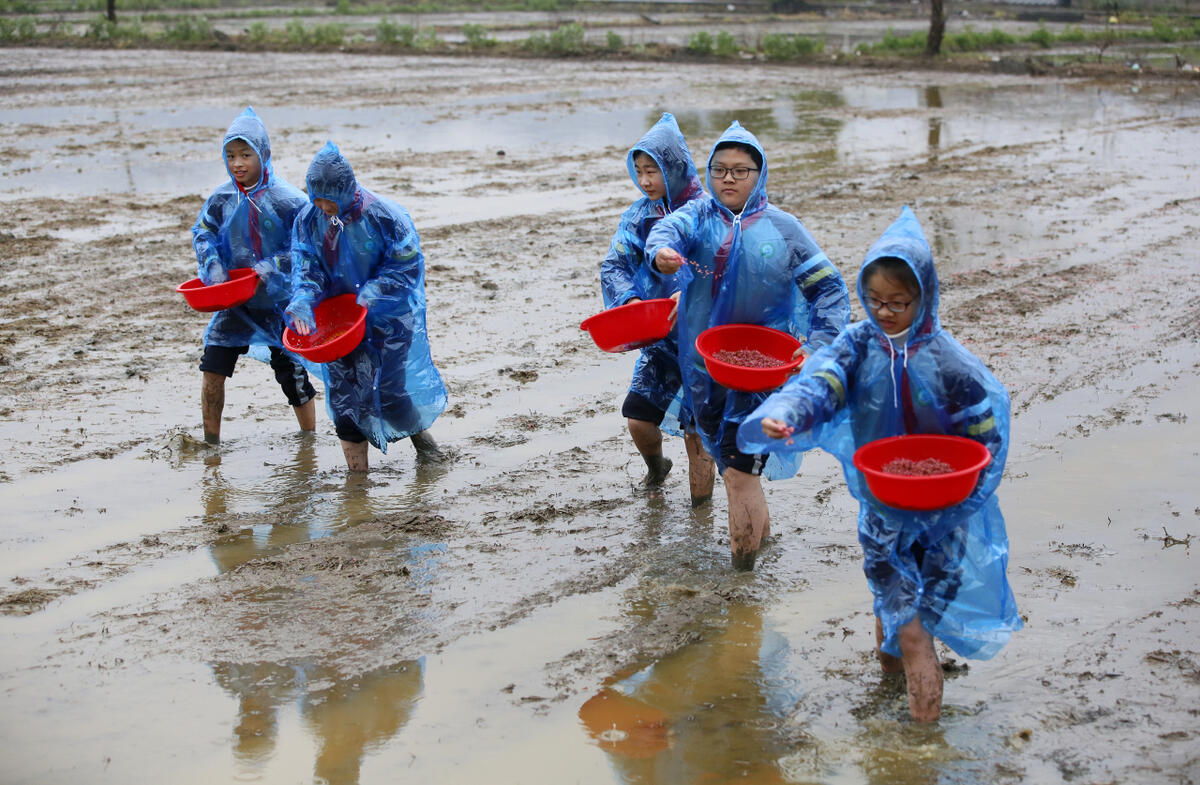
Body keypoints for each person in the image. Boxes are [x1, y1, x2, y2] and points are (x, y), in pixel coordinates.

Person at [737, 206, 1022, 722]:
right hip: (882, 504)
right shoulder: (857, 347)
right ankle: (889, 685)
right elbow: (819, 385)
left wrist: (966, 480)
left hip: (945, 516)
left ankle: (917, 746)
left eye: (899, 302)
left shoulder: (949, 364)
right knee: (889, 605)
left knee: (915, 630)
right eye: (875, 301)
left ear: (925, 298)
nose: (885, 313)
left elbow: (986, 432)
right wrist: (786, 414)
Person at [645, 121, 850, 570]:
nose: (729, 179)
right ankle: (762, 557)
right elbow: (665, 233)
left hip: (762, 372)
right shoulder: (697, 218)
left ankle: (741, 584)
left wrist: (818, 345)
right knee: (734, 468)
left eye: (741, 170)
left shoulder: (784, 229)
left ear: (761, 174)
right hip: (704, 370)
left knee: (738, 474)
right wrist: (661, 254)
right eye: (720, 170)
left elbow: (830, 291)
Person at [286, 142, 446, 472]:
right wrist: (303, 299)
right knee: (345, 400)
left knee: (389, 390)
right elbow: (306, 265)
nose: (325, 206)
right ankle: (357, 480)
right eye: (317, 198)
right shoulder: (309, 219)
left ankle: (426, 448)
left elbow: (406, 264)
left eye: (330, 199)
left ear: (346, 189)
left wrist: (375, 291)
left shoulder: (384, 216)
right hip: (339, 324)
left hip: (388, 318)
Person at [599, 112, 715, 501]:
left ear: (676, 167)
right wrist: (630, 301)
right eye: (640, 170)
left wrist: (695, 293)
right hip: (660, 336)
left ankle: (700, 511)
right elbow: (615, 263)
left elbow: (726, 266)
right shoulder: (639, 216)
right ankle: (656, 467)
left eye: (654, 170)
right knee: (637, 419)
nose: (646, 180)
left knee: (697, 433)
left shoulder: (708, 212)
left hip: (704, 344)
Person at [191, 106, 316, 444]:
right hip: (235, 301)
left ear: (263, 154)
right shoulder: (222, 198)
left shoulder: (288, 199)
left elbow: (310, 247)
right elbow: (202, 232)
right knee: (212, 368)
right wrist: (212, 264)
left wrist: (275, 266)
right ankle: (210, 443)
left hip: (278, 303)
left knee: (293, 377)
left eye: (246, 154)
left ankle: (308, 443)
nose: (237, 163)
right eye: (230, 155)